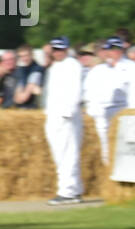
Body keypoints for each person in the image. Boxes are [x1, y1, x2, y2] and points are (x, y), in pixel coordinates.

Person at [43, 37, 84, 205]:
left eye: (60, 49)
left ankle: (67, 191)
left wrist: (68, 112)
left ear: (66, 49)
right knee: (60, 155)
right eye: (55, 49)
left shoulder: (73, 65)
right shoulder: (55, 67)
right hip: (53, 115)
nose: (57, 52)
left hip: (66, 116)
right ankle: (74, 189)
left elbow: (75, 90)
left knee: (67, 154)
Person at [85, 39, 131, 162]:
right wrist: (94, 113)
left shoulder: (131, 68)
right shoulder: (97, 71)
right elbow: (90, 94)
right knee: (106, 151)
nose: (111, 52)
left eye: (115, 49)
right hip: (102, 115)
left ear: (121, 50)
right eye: (109, 49)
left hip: (123, 112)